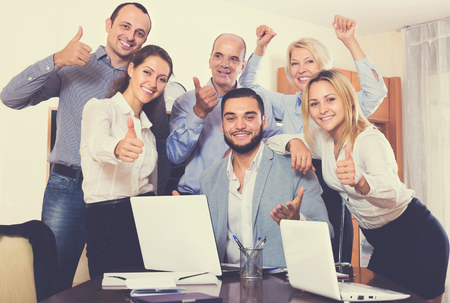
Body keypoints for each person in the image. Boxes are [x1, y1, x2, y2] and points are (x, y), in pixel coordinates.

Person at [0, 2, 170, 291]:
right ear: (109, 25)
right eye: (125, 26)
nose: (131, 36)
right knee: (55, 279)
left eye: (140, 32)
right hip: (67, 186)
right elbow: (10, 97)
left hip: (117, 199)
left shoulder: (146, 82)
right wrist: (55, 59)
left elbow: (156, 149)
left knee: (115, 283)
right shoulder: (76, 65)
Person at [266, 70, 449, 302]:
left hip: (418, 237)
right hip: (382, 245)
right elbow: (272, 141)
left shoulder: (368, 139)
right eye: (314, 103)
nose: (322, 109)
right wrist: (294, 143)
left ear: (347, 100)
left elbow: (393, 192)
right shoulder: (322, 139)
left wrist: (361, 181)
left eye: (330, 99)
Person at [239, 15, 388, 263]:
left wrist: (350, 42)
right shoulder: (287, 104)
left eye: (309, 61)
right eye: (295, 63)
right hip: (296, 186)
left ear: (323, 67)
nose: (301, 68)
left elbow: (376, 91)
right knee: (298, 261)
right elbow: (249, 85)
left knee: (334, 259)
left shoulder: (343, 102)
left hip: (334, 188)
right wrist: (261, 48)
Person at [199, 88, 332, 267]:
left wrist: (297, 222)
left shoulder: (296, 169)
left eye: (249, 117)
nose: (239, 125)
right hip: (226, 284)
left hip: (281, 286)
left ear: (264, 121)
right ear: (222, 125)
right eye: (231, 118)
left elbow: (326, 233)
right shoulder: (208, 179)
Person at [80, 44, 172, 278]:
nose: (153, 83)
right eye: (147, 72)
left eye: (162, 79)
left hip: (146, 222)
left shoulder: (148, 131)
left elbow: (151, 184)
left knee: (150, 292)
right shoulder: (100, 108)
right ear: (131, 69)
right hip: (108, 222)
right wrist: (118, 147)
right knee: (110, 294)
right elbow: (96, 143)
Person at [166, 33, 281, 195]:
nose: (225, 64)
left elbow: (273, 143)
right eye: (219, 56)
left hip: (247, 195)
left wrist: (291, 143)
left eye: (234, 59)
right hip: (198, 196)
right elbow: (174, 156)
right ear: (210, 60)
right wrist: (198, 112)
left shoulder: (259, 100)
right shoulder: (185, 101)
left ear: (242, 66)